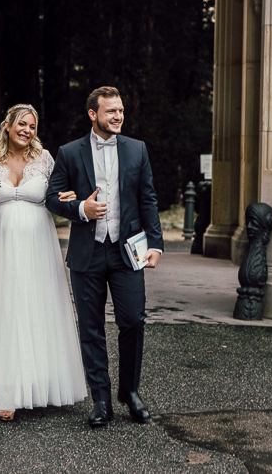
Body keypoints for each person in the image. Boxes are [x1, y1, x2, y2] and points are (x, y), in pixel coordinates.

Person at [45, 86, 164, 428]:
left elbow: (148, 199)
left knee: (133, 321)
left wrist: (155, 244)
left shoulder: (137, 150)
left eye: (121, 111)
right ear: (93, 115)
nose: (118, 117)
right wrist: (81, 207)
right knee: (91, 328)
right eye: (111, 111)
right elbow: (52, 197)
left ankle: (130, 391)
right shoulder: (69, 152)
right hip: (88, 253)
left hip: (127, 252)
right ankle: (100, 398)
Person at [0, 104, 87, 421]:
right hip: (1, 243)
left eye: (33, 126)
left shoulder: (45, 159)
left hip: (39, 243)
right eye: (22, 124)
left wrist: (70, 198)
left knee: (39, 306)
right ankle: (7, 392)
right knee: (6, 309)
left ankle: (41, 386)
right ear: (7, 126)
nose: (27, 130)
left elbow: (59, 195)